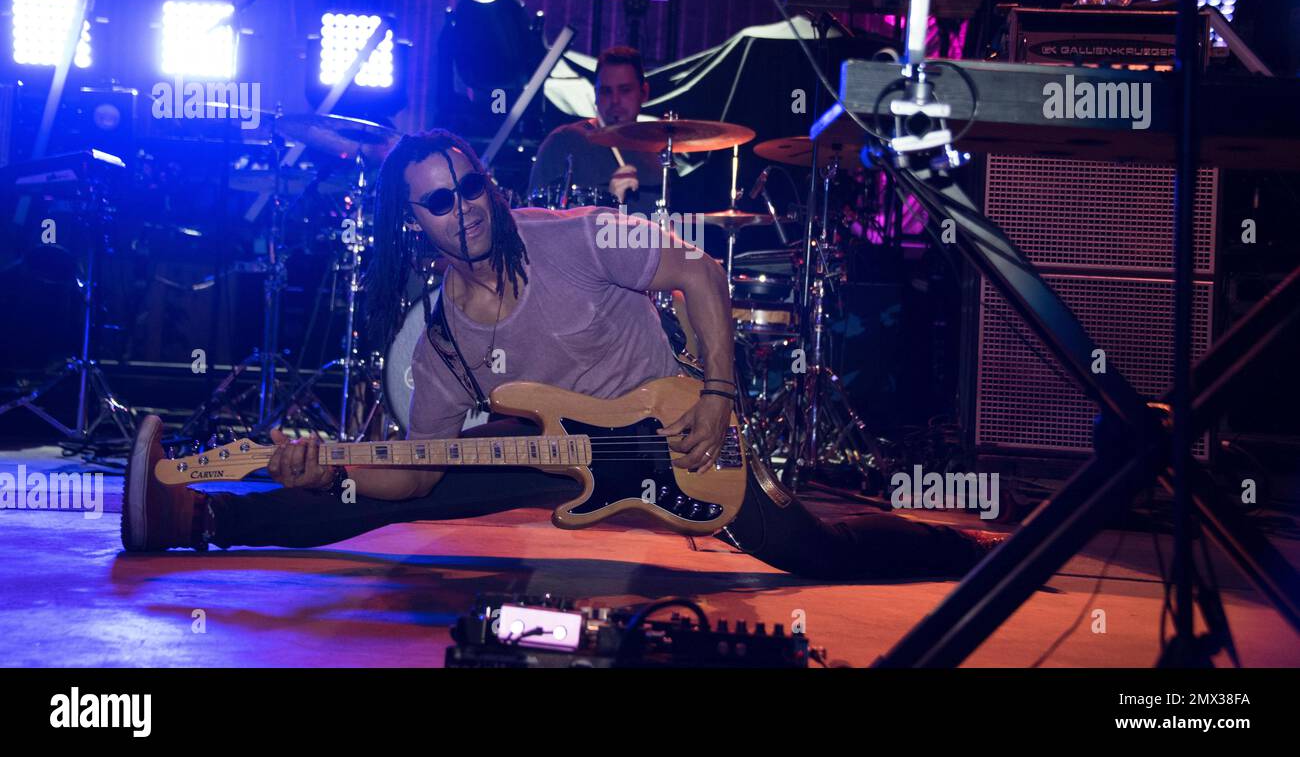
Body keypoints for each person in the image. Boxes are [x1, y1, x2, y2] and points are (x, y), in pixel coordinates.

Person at [123, 130, 1004, 579]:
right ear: (414, 221)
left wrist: (717, 394)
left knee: (816, 554)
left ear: (489, 185)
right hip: (554, 456)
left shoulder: (579, 234)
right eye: (439, 202)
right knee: (363, 487)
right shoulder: (436, 339)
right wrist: (330, 468)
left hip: (668, 438)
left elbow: (700, 272)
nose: (464, 208)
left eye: (470, 186)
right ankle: (201, 517)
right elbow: (418, 477)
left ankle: (966, 550)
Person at [527, 46, 665, 215]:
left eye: (625, 90)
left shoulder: (657, 152)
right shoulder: (564, 142)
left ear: (644, 93)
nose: (615, 100)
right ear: (596, 95)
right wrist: (609, 202)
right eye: (606, 91)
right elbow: (537, 219)